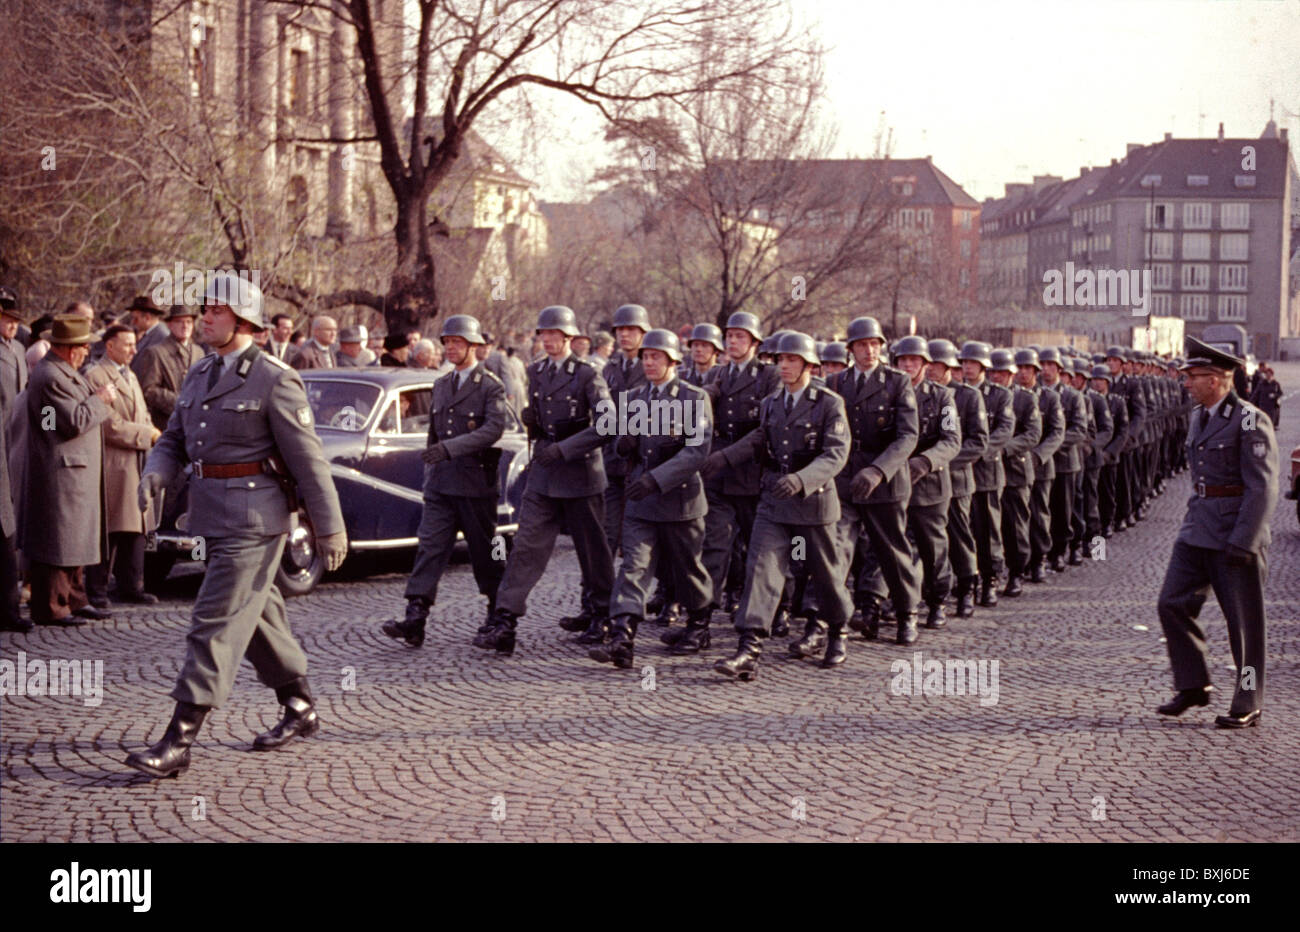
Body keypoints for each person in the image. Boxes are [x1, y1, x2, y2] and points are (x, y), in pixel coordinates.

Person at [127, 272, 347, 778]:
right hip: (211, 516)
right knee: (259, 619)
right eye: (203, 309)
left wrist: (330, 528)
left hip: (256, 519)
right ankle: (300, 706)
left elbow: (309, 459)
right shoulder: (200, 373)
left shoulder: (274, 377)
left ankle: (178, 741)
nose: (205, 318)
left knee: (215, 622)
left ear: (244, 321)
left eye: (215, 311)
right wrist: (156, 470)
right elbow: (174, 439)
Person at [474, 306, 614, 657]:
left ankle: (603, 614)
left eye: (555, 335)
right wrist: (530, 420)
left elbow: (608, 424)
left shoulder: (586, 374)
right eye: (544, 335)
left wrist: (565, 449)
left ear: (569, 338)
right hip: (544, 475)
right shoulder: (535, 372)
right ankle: (505, 620)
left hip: (580, 473)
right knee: (526, 548)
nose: (548, 340)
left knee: (593, 551)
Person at [1155, 337, 1278, 729]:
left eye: (1193, 377)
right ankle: (1193, 686)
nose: (1186, 383)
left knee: (1243, 624)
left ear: (1218, 379)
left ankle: (1248, 699)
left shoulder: (1249, 419)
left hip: (1234, 533)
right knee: (1171, 602)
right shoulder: (1200, 416)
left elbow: (1262, 487)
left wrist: (1245, 540)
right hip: (1197, 529)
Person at [712, 331, 850, 676]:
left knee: (826, 574)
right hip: (774, 501)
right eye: (780, 360)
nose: (784, 366)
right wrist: (721, 458)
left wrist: (803, 479)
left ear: (808, 365)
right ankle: (749, 649)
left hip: (814, 506)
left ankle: (836, 631)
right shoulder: (772, 403)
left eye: (791, 360)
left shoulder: (829, 403)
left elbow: (836, 453)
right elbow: (759, 438)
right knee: (761, 568)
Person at [589, 329, 714, 667]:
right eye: (645, 357)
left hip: (680, 501)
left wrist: (655, 480)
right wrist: (622, 445)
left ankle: (699, 625)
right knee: (634, 566)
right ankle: (622, 635)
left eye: (656, 356)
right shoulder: (632, 399)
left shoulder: (693, 398)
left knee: (688, 568)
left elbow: (696, 451)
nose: (649, 362)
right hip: (642, 504)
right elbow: (617, 444)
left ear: (673, 360)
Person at [381, 315, 506, 647]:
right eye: (448, 343)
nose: (451, 348)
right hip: (441, 485)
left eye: (458, 343)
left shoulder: (491, 386)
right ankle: (415, 615)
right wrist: (430, 476)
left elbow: (493, 430)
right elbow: (432, 436)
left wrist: (449, 449)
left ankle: (498, 612)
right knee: (430, 549)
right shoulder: (441, 384)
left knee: (484, 552)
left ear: (474, 346)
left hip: (475, 483)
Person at [19, 315, 117, 626]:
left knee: (74, 539)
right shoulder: (50, 376)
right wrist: (100, 400)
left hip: (72, 469)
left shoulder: (62, 372)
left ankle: (74, 599)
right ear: (68, 348)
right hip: (61, 470)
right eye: (83, 346)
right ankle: (52, 606)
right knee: (57, 541)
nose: (87, 351)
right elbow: (70, 423)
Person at [828, 316, 921, 644]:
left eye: (875, 344)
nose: (870, 351)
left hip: (886, 481)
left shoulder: (897, 382)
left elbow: (908, 436)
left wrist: (879, 470)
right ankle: (833, 619)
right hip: (847, 480)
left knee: (892, 552)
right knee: (836, 547)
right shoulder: (837, 383)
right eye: (862, 345)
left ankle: (906, 614)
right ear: (850, 349)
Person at [84, 325, 162, 606]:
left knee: (135, 526)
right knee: (111, 528)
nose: (134, 349)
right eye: (127, 344)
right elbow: (108, 424)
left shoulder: (130, 376)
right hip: (114, 463)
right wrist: (147, 435)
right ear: (110, 346)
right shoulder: (96, 375)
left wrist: (153, 432)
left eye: (134, 343)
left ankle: (131, 585)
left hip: (135, 460)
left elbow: (142, 414)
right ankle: (98, 589)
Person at [891, 336, 959, 628]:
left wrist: (926, 461)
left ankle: (937, 600)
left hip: (930, 485)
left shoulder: (943, 397)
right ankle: (901, 604)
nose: (908, 365)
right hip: (895, 483)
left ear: (925, 364)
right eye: (903, 360)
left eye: (914, 360)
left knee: (933, 550)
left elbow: (951, 440)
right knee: (895, 547)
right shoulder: (888, 392)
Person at [927, 339, 987, 618]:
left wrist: (942, 461)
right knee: (929, 539)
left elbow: (977, 442)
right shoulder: (923, 394)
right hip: (927, 481)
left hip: (956, 478)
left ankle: (966, 588)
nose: (931, 370)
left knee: (960, 536)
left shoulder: (968, 396)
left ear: (948, 367)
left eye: (937, 365)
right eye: (929, 364)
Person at [960, 341, 1015, 607]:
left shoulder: (999, 395)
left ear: (984, 366)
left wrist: (976, 452)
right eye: (964, 362)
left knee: (989, 530)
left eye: (972, 362)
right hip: (959, 472)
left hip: (986, 472)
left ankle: (990, 580)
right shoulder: (955, 393)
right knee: (964, 531)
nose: (967, 367)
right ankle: (966, 581)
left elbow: (1005, 430)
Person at [989, 349, 1041, 597]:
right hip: (989, 470)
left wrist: (1002, 449)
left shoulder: (1026, 399)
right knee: (989, 526)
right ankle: (991, 572)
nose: (997, 377)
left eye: (1002, 372)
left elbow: (1032, 434)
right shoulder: (987, 397)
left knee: (1016, 524)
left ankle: (1017, 572)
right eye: (993, 372)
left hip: (1015, 470)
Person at [1020, 348, 1063, 585]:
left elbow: (1057, 433)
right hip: (1016, 467)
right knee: (1017, 516)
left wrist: (1037, 456)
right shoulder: (1012, 395)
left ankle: (1039, 559)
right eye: (1021, 368)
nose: (1024, 373)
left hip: (1040, 465)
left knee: (1038, 514)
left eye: (1029, 368)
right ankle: (1020, 559)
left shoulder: (1049, 397)